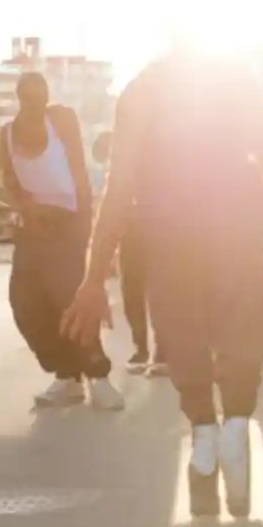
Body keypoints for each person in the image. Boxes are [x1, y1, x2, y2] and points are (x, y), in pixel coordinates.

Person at [61, 47, 263, 518]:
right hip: (235, 231)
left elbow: (120, 189)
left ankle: (205, 441)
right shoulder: (234, 76)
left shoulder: (140, 93)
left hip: (168, 240)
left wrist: (93, 278)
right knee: (240, 339)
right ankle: (233, 431)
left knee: (185, 346)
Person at [1, 72, 123, 411]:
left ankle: (99, 378)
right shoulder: (7, 133)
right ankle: (67, 377)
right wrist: (27, 210)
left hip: (69, 223)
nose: (36, 103)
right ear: (19, 97)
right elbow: (11, 182)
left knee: (71, 302)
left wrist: (86, 224)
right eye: (29, 98)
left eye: (41, 97)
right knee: (25, 303)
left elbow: (79, 172)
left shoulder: (62, 119)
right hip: (33, 228)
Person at [98, 131, 167, 375]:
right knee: (131, 290)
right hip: (129, 233)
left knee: (160, 291)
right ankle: (141, 349)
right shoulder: (120, 166)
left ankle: (162, 352)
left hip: (159, 231)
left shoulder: (161, 157)